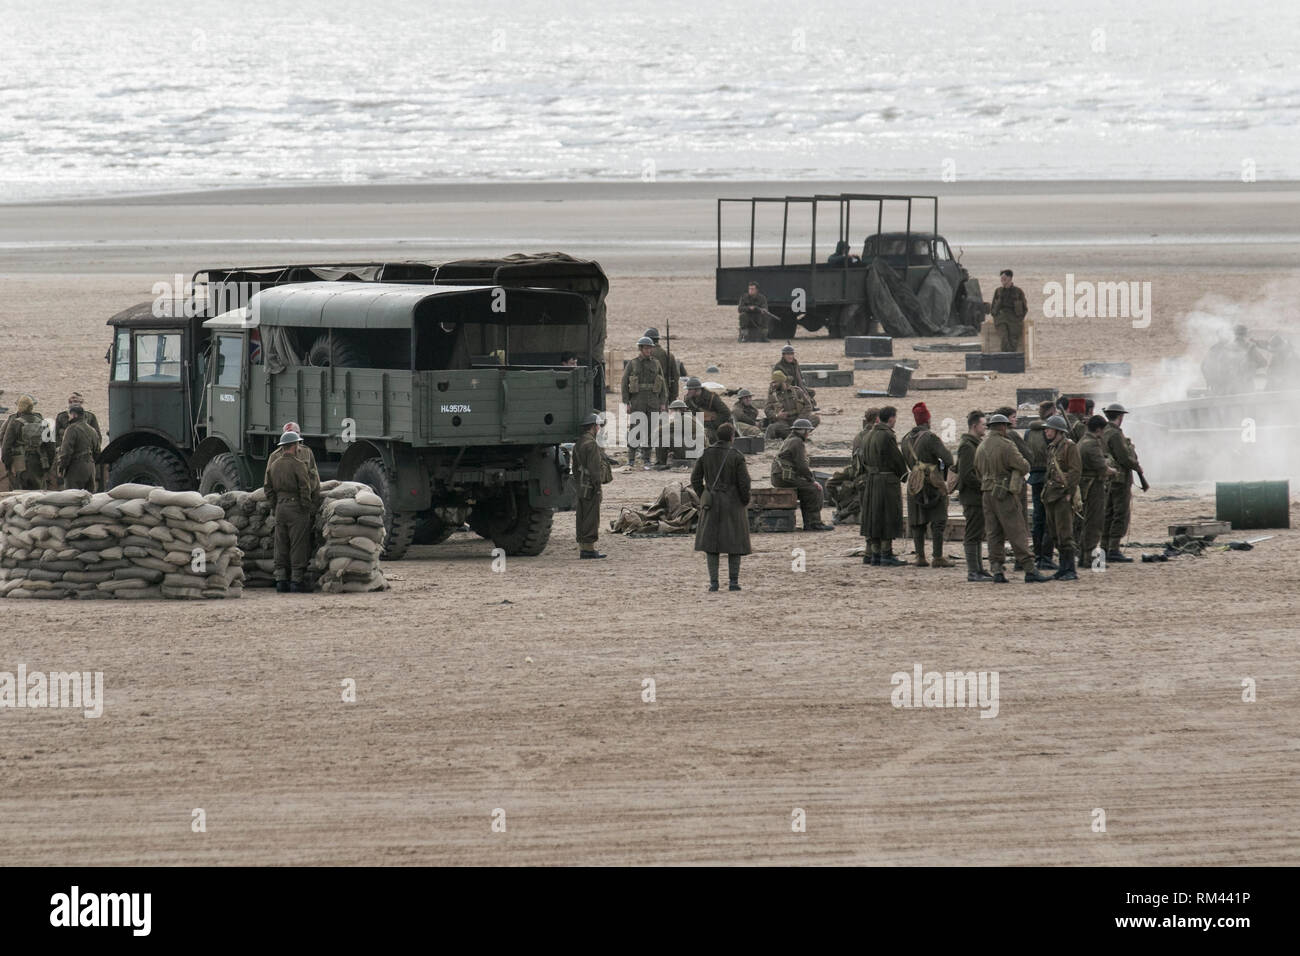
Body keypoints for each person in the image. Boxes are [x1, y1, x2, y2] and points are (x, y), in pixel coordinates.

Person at [974, 413, 1047, 583]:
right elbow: (1024, 465)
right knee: (1016, 529)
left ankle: (997, 569)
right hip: (1004, 493)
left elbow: (978, 471)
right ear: (1002, 427)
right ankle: (1029, 569)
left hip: (987, 492)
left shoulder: (981, 446)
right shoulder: (1006, 445)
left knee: (993, 532)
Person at [691, 422, 752, 591]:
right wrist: (745, 500)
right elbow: (744, 482)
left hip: (711, 502)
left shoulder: (706, 453)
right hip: (733, 503)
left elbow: (695, 479)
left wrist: (704, 494)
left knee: (711, 545)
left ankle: (714, 583)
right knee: (735, 543)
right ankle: (733, 582)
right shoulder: (737, 456)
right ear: (732, 437)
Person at [264, 429, 320, 593]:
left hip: (280, 507)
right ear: (294, 446)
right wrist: (307, 507)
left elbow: (268, 488)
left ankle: (281, 579)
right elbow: (305, 487)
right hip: (296, 508)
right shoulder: (298, 464)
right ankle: (296, 580)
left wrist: (275, 505)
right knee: (298, 544)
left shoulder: (274, 465)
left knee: (281, 544)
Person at [899, 401, 954, 567]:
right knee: (938, 519)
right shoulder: (930, 437)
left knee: (917, 520)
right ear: (927, 421)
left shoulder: (905, 439)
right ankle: (937, 557)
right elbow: (949, 459)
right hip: (932, 481)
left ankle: (920, 557)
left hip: (914, 483)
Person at [859, 405, 908, 565]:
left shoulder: (868, 435)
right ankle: (886, 554)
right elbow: (896, 459)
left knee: (874, 517)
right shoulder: (887, 436)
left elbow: (863, 460)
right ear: (892, 418)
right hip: (887, 482)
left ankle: (873, 554)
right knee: (888, 515)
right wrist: (905, 475)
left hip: (871, 480)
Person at [1101, 402, 1147, 563]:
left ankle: (1105, 547)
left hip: (1109, 479)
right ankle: (1114, 548)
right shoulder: (1114, 434)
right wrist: (1136, 466)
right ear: (1120, 417)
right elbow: (1123, 457)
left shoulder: (1104, 432)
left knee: (1108, 513)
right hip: (1120, 478)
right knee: (1120, 513)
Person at [1040, 415, 1082, 581]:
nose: (1046, 431)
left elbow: (1075, 471)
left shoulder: (1069, 447)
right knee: (1055, 533)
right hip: (1051, 496)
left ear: (1058, 431)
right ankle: (1063, 568)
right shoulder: (1052, 448)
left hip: (1062, 496)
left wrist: (1069, 493)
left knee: (1065, 534)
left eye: (1049, 428)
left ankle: (1070, 569)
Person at [771, 419, 831, 532]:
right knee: (814, 490)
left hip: (780, 477)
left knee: (807, 488)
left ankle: (810, 523)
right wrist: (812, 480)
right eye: (808, 431)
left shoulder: (789, 439)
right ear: (803, 431)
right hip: (785, 478)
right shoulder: (797, 442)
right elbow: (802, 466)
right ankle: (814, 523)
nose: (809, 434)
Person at [620, 336, 667, 469]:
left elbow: (662, 384)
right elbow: (624, 383)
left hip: (653, 400)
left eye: (650, 348)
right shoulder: (633, 363)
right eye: (646, 348)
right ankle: (631, 458)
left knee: (651, 430)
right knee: (636, 428)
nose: (648, 350)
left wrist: (663, 402)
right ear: (641, 349)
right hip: (637, 400)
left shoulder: (656, 363)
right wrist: (626, 402)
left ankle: (647, 459)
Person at [1075, 414, 1116, 568]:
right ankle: (1091, 559)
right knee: (1095, 522)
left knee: (1086, 522)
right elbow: (1101, 467)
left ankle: (1083, 557)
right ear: (1099, 429)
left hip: (1085, 485)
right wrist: (1113, 470)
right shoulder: (1092, 444)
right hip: (1093, 487)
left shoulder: (1082, 441)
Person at [957, 410, 993, 582]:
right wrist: (983, 486)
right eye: (983, 424)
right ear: (974, 425)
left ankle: (979, 568)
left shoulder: (974, 444)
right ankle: (973, 571)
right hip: (972, 497)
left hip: (977, 495)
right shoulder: (967, 446)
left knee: (978, 533)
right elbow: (966, 474)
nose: (985, 427)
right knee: (972, 534)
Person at [1024, 400, 1058, 571]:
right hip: (1049, 477)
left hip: (1035, 477)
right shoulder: (1050, 432)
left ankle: (1038, 555)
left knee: (1038, 518)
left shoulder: (1029, 432)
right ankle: (1046, 556)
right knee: (1049, 519)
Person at [572, 412, 609, 559]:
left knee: (582, 515)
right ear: (593, 427)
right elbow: (595, 470)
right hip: (590, 486)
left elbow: (575, 467)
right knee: (591, 517)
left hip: (580, 484)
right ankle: (588, 549)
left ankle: (583, 546)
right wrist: (598, 487)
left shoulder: (579, 442)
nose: (599, 429)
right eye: (598, 426)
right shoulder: (592, 444)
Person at [1, 394, 55, 491]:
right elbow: (51, 447)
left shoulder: (15, 423)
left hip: (19, 464)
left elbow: (6, 447)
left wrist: (8, 466)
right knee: (38, 495)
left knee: (17, 496)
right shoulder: (43, 422)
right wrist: (47, 466)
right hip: (38, 463)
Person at [764, 370, 818, 440]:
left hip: (798, 419)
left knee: (815, 419)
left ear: (782, 381)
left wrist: (800, 419)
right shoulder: (773, 395)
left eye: (775, 382)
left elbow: (808, 406)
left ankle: (797, 434)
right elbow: (767, 410)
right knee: (772, 428)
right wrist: (777, 416)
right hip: (784, 423)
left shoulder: (796, 391)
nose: (773, 384)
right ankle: (797, 435)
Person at [55, 405, 98, 491]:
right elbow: (97, 450)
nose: (68, 417)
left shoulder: (71, 429)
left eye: (69, 415)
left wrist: (61, 468)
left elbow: (66, 452)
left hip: (75, 467)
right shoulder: (92, 430)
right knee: (89, 498)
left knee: (72, 497)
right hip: (90, 467)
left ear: (74, 415)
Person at [267, 421, 320, 486]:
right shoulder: (275, 456)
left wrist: (313, 495)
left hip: (305, 492)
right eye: (289, 433)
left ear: (299, 434)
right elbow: (268, 481)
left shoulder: (307, 452)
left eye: (296, 433)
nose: (293, 436)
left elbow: (315, 476)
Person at [683, 377, 732, 446]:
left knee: (702, 436)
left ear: (697, 389)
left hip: (713, 427)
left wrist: (713, 424)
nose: (688, 391)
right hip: (698, 424)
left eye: (690, 389)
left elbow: (726, 413)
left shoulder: (712, 397)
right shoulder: (688, 399)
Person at [990, 269, 1028, 352]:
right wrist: (996, 316)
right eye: (1002, 279)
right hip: (1001, 319)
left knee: (1013, 339)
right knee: (1004, 337)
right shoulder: (998, 291)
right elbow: (993, 308)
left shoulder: (1018, 292)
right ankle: (1005, 357)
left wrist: (1019, 319)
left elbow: (1025, 308)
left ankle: (1011, 357)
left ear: (1010, 278)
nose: (1003, 281)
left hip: (1014, 320)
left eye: (1005, 278)